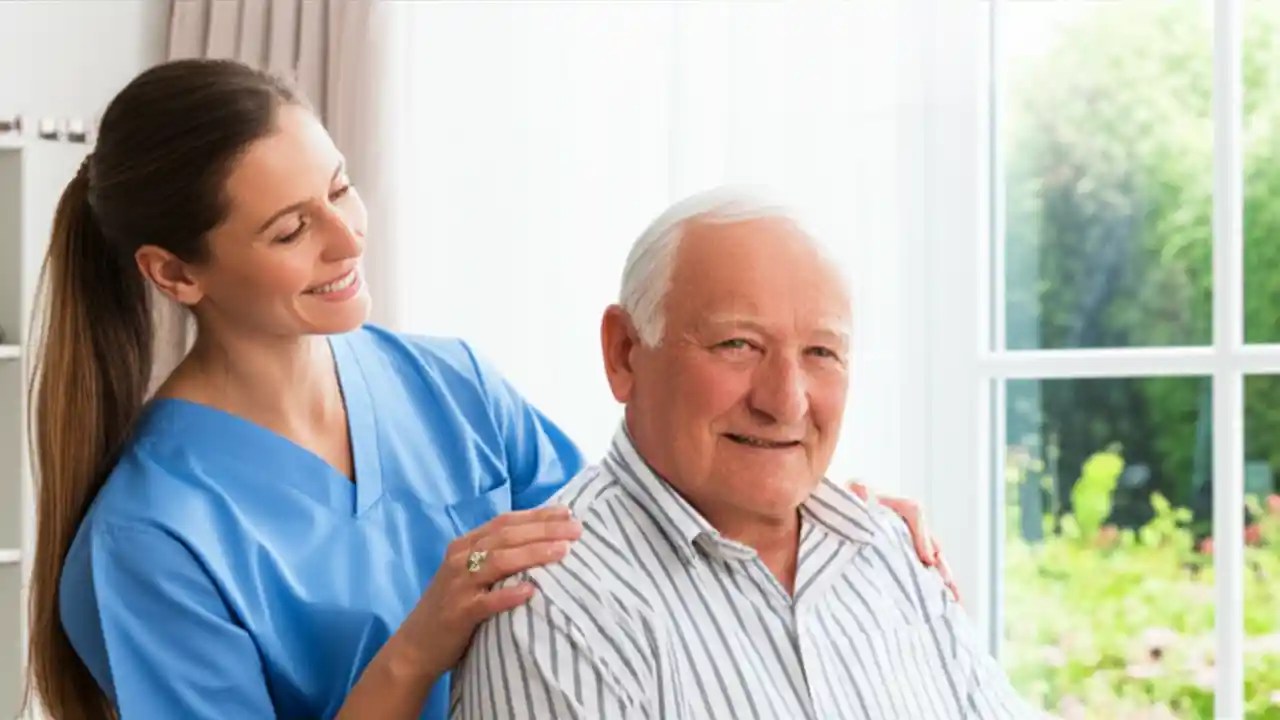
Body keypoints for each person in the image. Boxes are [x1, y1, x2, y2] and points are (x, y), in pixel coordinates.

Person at [22, 59, 948, 720]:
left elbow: (643, 536)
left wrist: (813, 515)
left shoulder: (450, 387)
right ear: (176, 273)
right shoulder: (149, 541)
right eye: (291, 229)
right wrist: (420, 645)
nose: (347, 239)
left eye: (340, 190)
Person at [453, 188, 1037, 720]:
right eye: (738, 345)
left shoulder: (889, 551)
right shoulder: (554, 607)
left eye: (821, 352)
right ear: (625, 352)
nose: (785, 402)